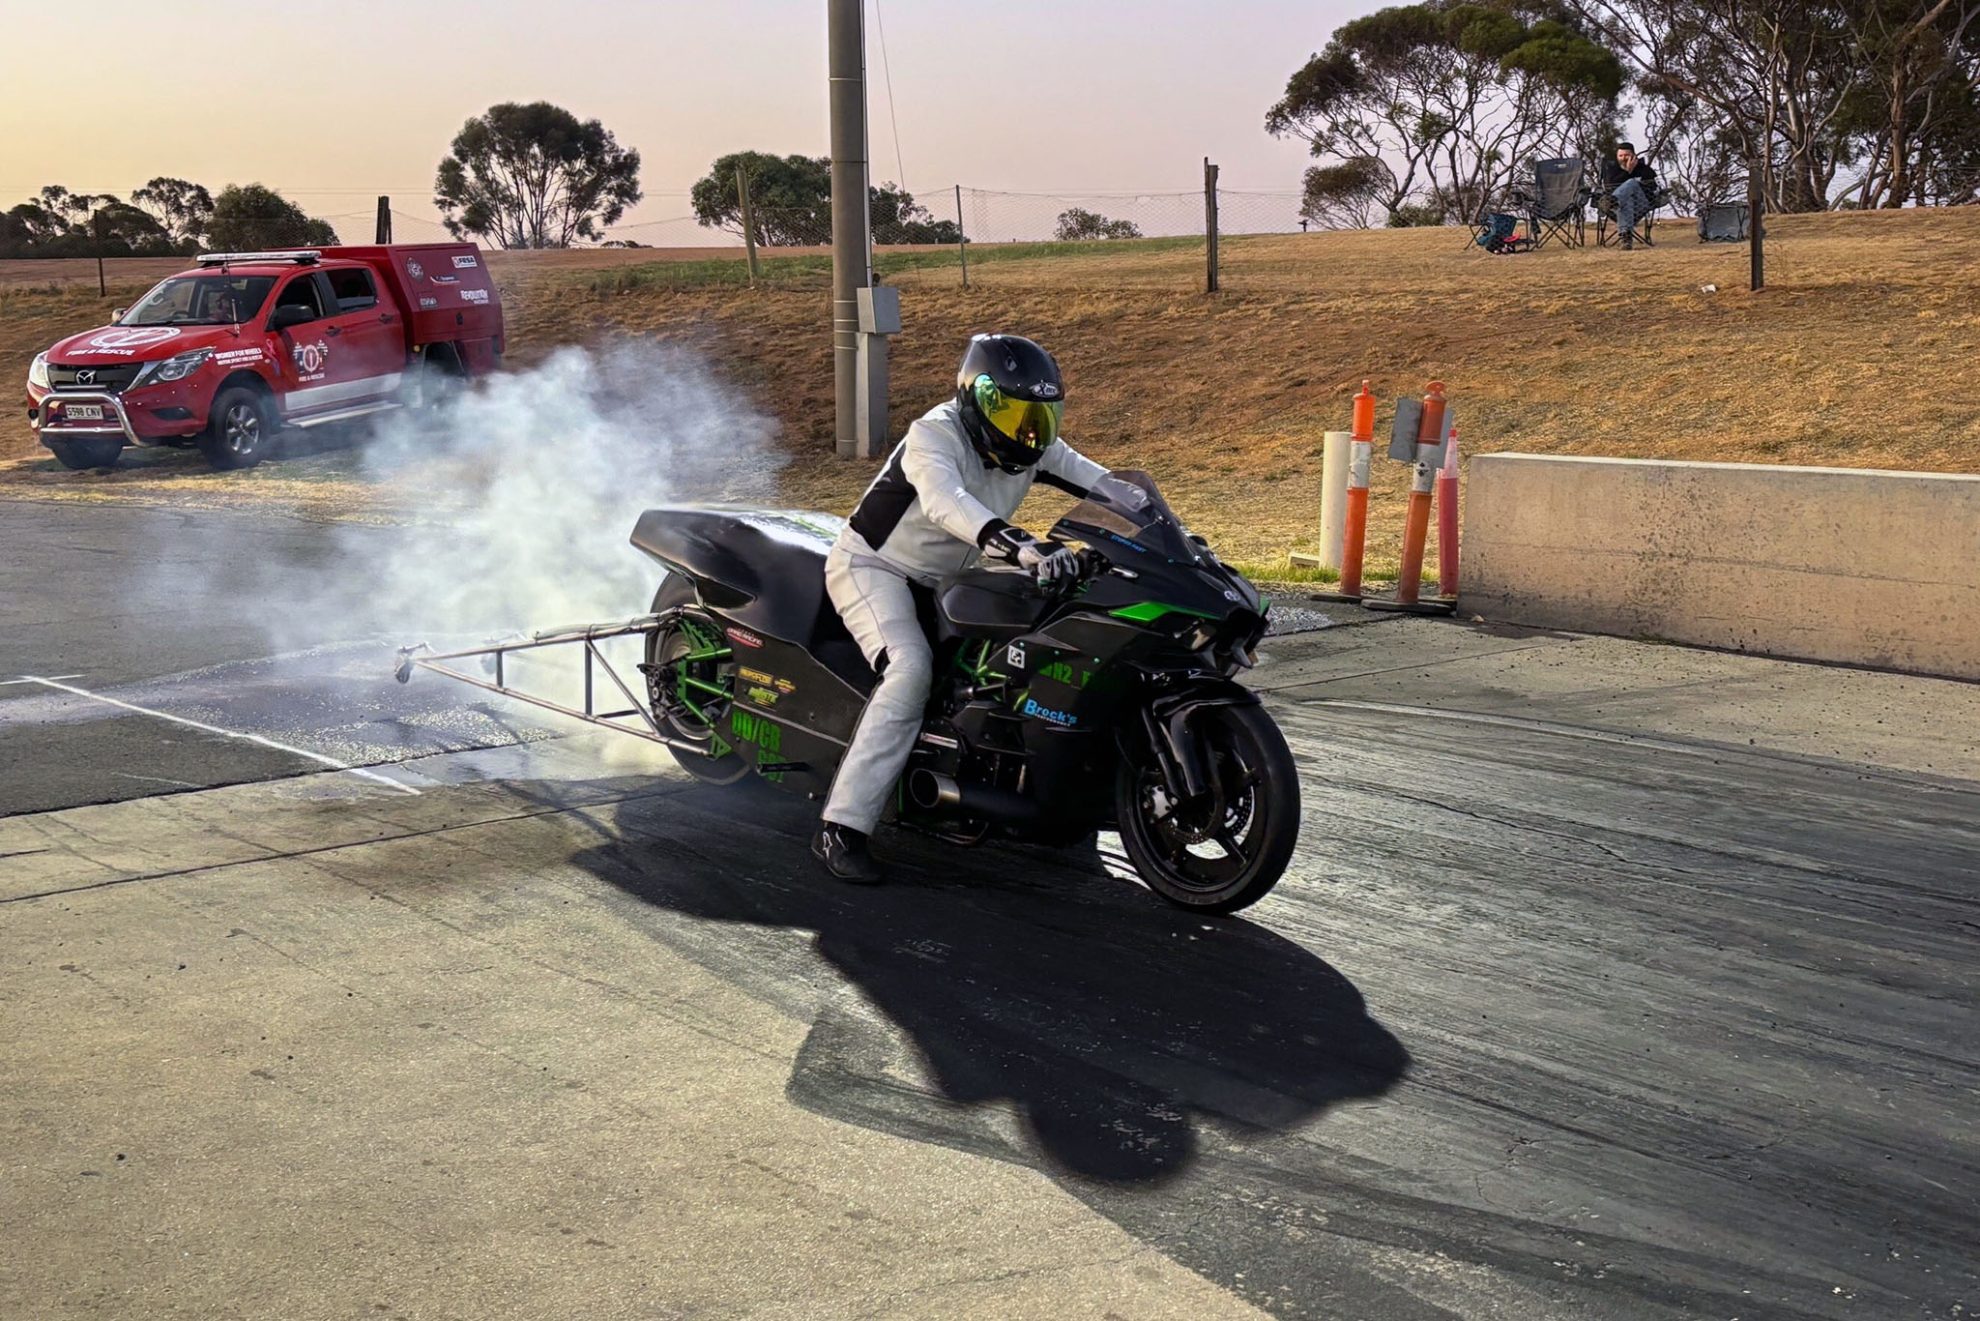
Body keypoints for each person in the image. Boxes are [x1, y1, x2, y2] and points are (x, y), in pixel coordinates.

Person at [813, 334, 1109, 884]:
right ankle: (843, 827)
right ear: (976, 398)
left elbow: (1109, 486)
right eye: (1015, 411)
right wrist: (1019, 545)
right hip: (877, 568)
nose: (1029, 430)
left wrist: (1172, 531)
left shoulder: (1035, 447)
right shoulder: (934, 434)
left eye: (1040, 415)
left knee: (1041, 640)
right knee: (909, 673)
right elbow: (945, 501)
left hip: (956, 575)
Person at [1602, 143, 1659, 250]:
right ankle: (1626, 238)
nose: (1623, 158)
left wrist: (1632, 174)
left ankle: (1614, 200)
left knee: (1632, 183)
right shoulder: (1612, 171)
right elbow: (1609, 187)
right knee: (1625, 201)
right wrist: (1627, 171)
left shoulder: (1644, 169)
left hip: (1641, 204)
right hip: (1616, 207)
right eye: (1620, 156)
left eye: (1626, 155)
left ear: (1633, 155)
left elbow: (1652, 187)